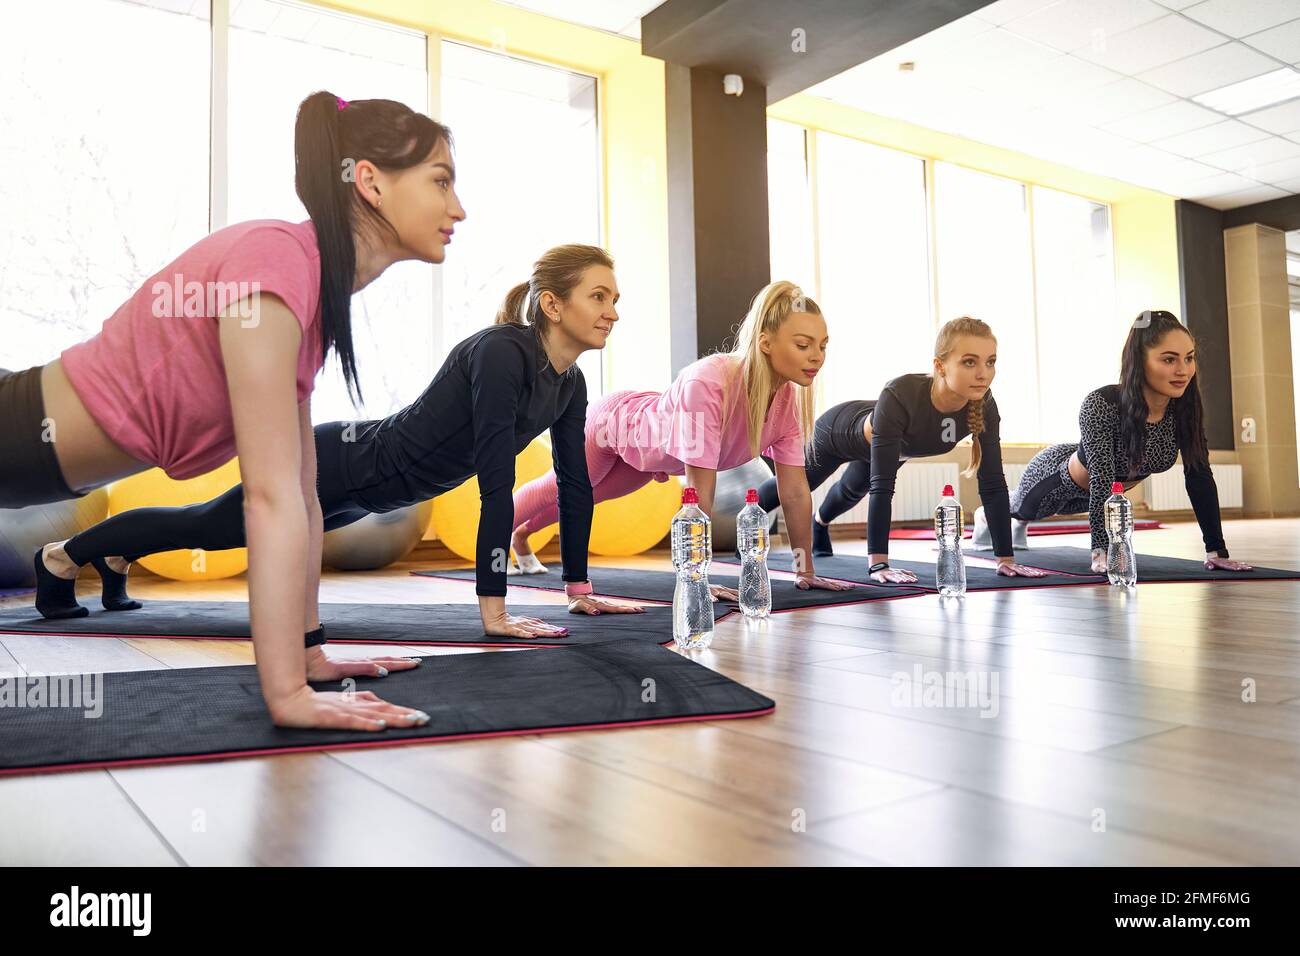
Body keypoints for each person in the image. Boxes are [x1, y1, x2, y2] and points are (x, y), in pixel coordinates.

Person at [3, 91, 459, 731]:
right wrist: (287, 696)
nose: (457, 208)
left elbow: (303, 495)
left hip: (32, 457)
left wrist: (311, 655)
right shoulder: (276, 262)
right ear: (370, 182)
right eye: (441, 181)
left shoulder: (309, 292)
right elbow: (266, 499)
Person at [37, 245, 640, 637]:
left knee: (208, 526)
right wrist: (494, 610)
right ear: (553, 305)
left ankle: (115, 557)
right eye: (599, 296)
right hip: (341, 464)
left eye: (615, 299)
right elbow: (496, 482)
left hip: (375, 491)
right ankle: (61, 556)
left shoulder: (570, 383)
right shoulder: (503, 351)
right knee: (209, 528)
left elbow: (573, 483)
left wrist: (579, 590)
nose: (613, 311)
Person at [510, 281, 854, 597]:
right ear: (765, 342)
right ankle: (493, 538)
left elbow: (793, 491)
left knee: (591, 497)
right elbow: (698, 493)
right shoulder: (710, 382)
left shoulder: (786, 403)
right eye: (803, 345)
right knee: (561, 489)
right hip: (614, 426)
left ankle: (522, 536)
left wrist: (804, 570)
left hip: (651, 460)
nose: (817, 356)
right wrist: (697, 579)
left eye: (823, 346)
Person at [755, 317, 1047, 584]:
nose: (983, 373)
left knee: (851, 491)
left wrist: (1005, 559)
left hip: (889, 447)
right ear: (940, 365)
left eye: (991, 362)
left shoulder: (983, 403)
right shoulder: (902, 393)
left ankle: (820, 523)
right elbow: (882, 486)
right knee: (797, 487)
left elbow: (993, 483)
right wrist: (878, 564)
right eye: (969, 362)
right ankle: (741, 523)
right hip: (838, 432)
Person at [1009, 310, 1253, 574]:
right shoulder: (1102, 403)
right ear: (1140, 361)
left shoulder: (1184, 410)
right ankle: (993, 517)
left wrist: (1216, 551)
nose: (1183, 370)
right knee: (1021, 511)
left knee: (1035, 513)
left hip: (1097, 496)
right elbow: (1101, 478)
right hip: (1055, 478)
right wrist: (1102, 551)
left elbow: (1199, 475)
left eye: (1189, 358)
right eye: (1169, 359)